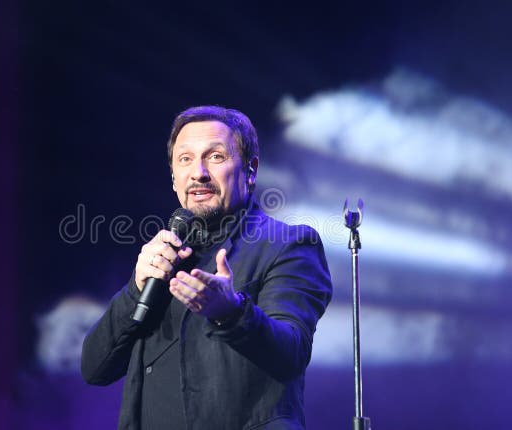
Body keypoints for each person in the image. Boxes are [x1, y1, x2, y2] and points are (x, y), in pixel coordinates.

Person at [81, 105, 333, 429]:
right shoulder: (163, 255)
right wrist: (135, 289)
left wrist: (233, 312)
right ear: (173, 178)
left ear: (251, 170)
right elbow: (94, 368)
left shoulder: (288, 245)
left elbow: (291, 353)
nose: (198, 172)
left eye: (215, 156)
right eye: (185, 159)